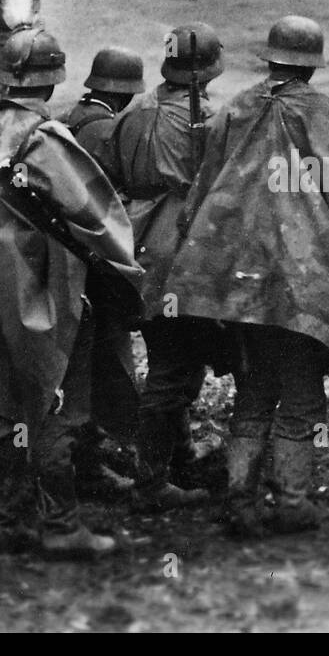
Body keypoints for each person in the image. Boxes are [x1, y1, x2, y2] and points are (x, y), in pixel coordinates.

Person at [165, 15, 329, 536]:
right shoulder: (328, 115)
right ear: (313, 63)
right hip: (304, 280)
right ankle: (293, 501)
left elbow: (199, 195)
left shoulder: (232, 110)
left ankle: (239, 501)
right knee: (302, 396)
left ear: (271, 58)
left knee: (254, 391)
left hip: (234, 281)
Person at [0, 27, 142, 559]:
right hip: (49, 292)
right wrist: (128, 271)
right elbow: (94, 215)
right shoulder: (44, 140)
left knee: (8, 402)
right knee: (58, 403)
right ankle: (61, 527)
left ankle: (9, 520)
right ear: (55, 78)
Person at [103, 26, 225, 513]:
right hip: (186, 247)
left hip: (140, 245)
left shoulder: (134, 111)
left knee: (172, 356)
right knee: (174, 368)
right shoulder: (212, 118)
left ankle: (178, 458)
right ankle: (151, 481)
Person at [59, 47, 146, 494]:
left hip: (67, 267)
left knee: (77, 369)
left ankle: (86, 463)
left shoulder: (67, 118)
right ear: (127, 93)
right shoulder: (107, 131)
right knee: (107, 365)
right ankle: (91, 466)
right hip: (99, 267)